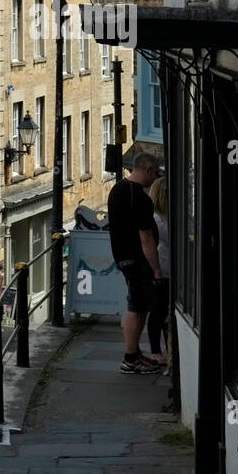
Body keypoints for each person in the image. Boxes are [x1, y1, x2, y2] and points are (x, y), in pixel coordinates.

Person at [107, 153, 164, 374]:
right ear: (148, 169)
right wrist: (157, 270)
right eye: (156, 172)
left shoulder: (117, 190)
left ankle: (135, 354)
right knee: (137, 307)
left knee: (137, 304)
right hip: (136, 260)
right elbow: (146, 237)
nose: (155, 177)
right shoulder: (139, 197)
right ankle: (130, 358)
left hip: (123, 257)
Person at [148, 177, 170, 366]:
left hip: (166, 268)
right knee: (159, 311)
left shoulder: (163, 218)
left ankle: (165, 350)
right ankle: (156, 351)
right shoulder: (159, 220)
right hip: (163, 269)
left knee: (162, 311)